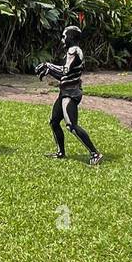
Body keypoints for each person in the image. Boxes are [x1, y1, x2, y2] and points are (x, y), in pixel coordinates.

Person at [35, 25, 102, 165]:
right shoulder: (72, 51)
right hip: (65, 91)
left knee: (71, 125)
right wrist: (49, 71)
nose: (62, 40)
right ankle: (60, 152)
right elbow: (64, 76)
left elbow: (65, 70)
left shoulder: (74, 50)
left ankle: (95, 153)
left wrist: (48, 65)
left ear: (71, 37)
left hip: (70, 93)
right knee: (54, 122)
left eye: (64, 36)